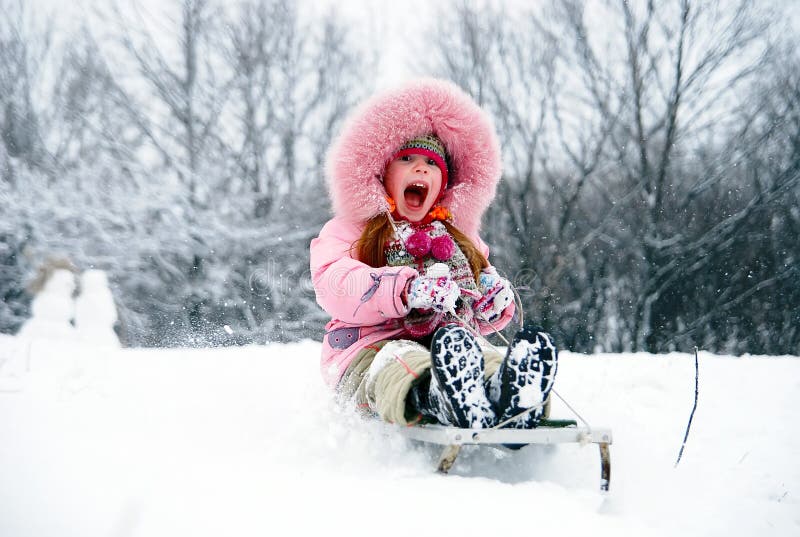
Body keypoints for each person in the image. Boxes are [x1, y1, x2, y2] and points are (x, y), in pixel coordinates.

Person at [310, 78, 557, 430]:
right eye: (407, 159)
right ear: (382, 173)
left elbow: (471, 298)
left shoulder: (459, 241)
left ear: (444, 183)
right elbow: (335, 283)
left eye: (432, 163)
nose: (421, 168)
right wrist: (405, 290)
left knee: (481, 357)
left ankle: (510, 395)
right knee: (400, 363)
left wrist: (490, 303)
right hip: (369, 352)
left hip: (450, 345)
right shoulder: (351, 230)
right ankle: (437, 396)